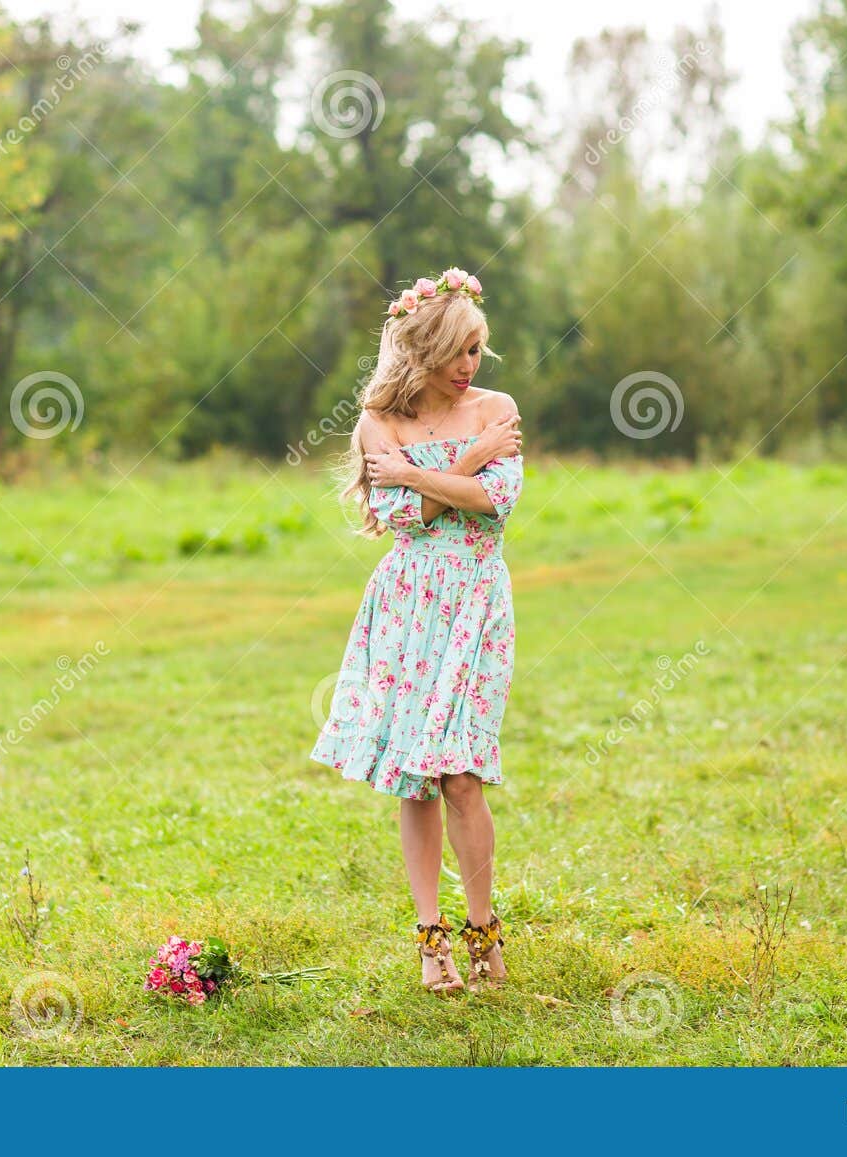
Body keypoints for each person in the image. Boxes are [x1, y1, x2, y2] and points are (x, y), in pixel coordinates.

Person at [311, 267, 523, 995]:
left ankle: (483, 926)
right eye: (458, 352)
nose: (471, 367)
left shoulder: (497, 408)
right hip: (407, 604)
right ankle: (431, 937)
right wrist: (458, 473)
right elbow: (398, 520)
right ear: (423, 349)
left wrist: (428, 475)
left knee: (463, 771)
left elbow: (494, 504)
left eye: (477, 350)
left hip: (476, 602)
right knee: (417, 773)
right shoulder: (380, 420)